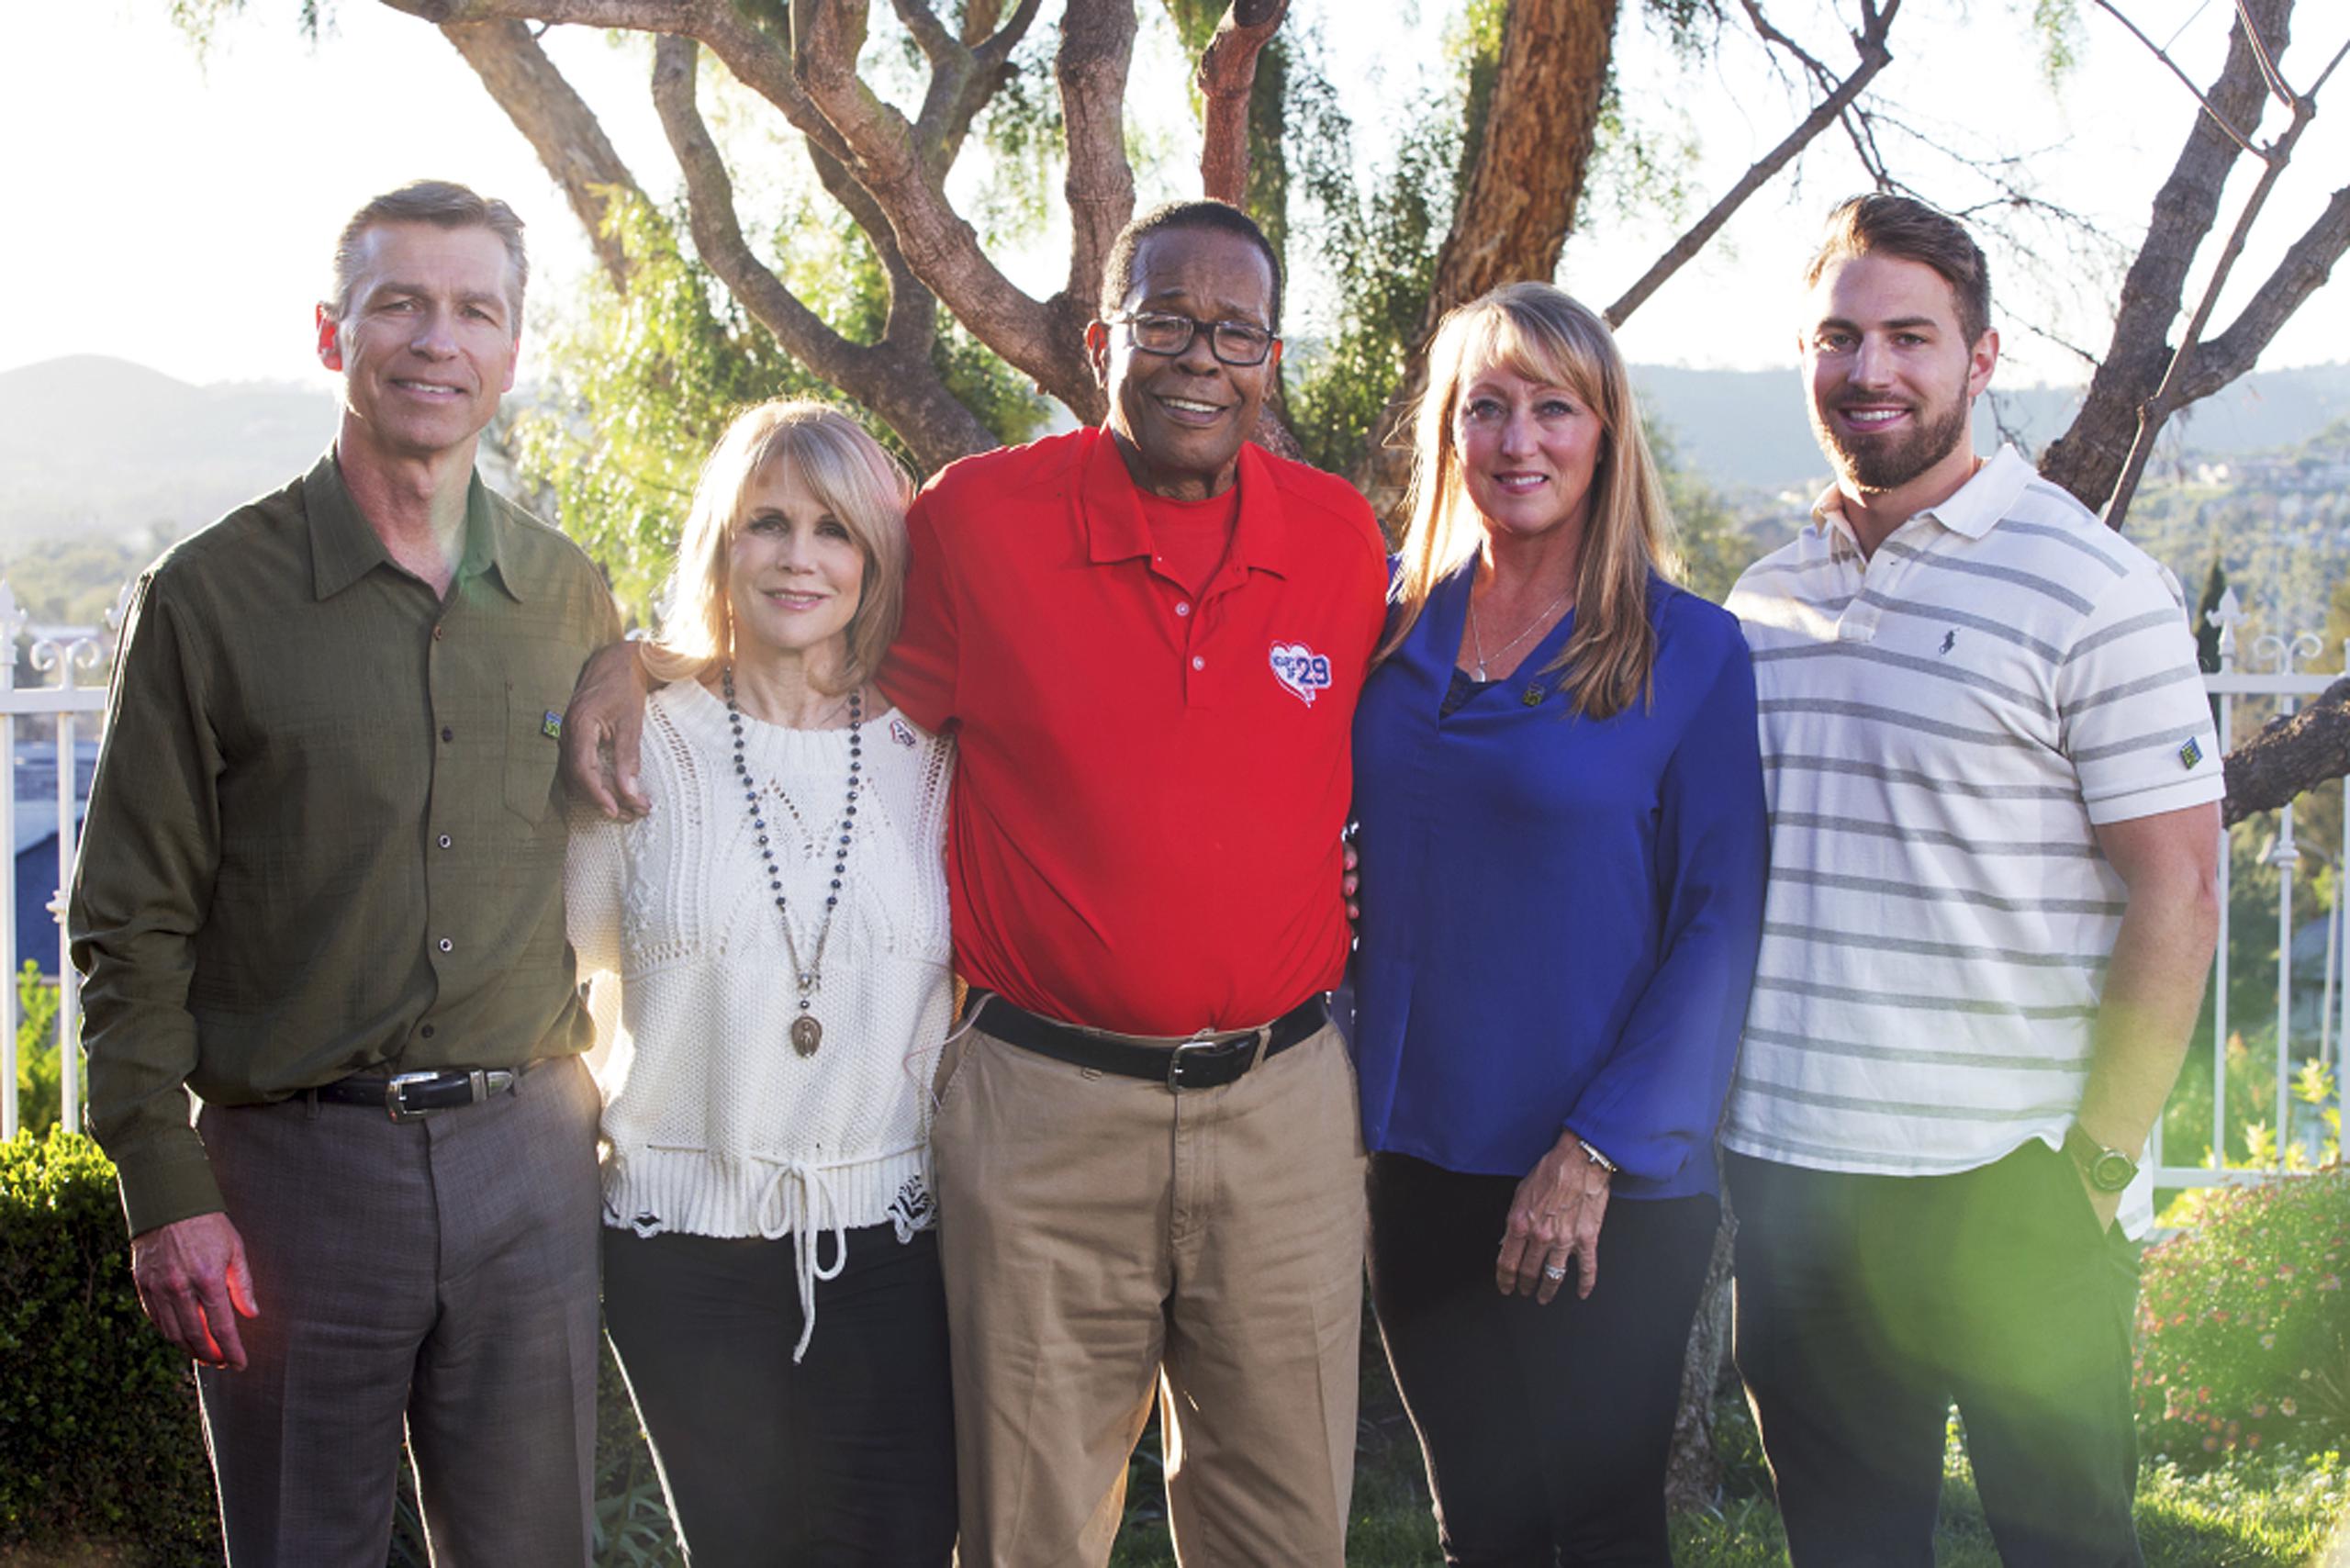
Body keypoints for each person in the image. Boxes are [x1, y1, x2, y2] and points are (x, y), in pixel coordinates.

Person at [565, 199, 1389, 1566]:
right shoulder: (981, 522)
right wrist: (632, 661)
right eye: (1166, 321)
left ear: (1272, 358)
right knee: (1028, 1533)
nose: (1201, 356)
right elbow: (809, 656)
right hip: (1045, 1108)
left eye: (1235, 331)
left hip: (1281, 1100)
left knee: (1286, 1531)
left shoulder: (1340, 539)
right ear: (1100, 341)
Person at [70, 181, 621, 1566]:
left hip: (530, 1164)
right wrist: (165, 1185)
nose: (439, 340)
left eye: (475, 311)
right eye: (401, 304)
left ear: (511, 351)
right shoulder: (208, 598)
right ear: (333, 334)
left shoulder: (572, 598)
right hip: (294, 1179)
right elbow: (128, 919)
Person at [1722, 194, 2224, 1566]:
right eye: (1840, 337)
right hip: (1800, 1183)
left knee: (2067, 1547)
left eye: (1910, 336)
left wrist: (2096, 1169)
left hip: (2017, 1183)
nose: (1869, 368)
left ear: (1981, 359)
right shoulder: (1763, 602)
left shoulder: (2093, 587)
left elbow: (2182, 892)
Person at [1348, 281, 1767, 1564]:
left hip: (1604, 1177)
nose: (1517, 441)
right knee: (1479, 1526)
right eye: (1486, 407)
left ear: (1604, 433)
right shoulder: (1385, 631)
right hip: (1414, 1157)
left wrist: (1591, 1154)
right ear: (1448, 433)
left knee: (1597, 1531)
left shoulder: (1687, 651)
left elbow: (1718, 922)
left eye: (1553, 408)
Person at [564, 399, 957, 1564]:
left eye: (835, 529)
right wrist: (628, 661)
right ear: (722, 543)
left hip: (891, 1243)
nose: (799, 556)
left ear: (875, 556)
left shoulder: (936, 754)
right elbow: (553, 979)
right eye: (768, 522)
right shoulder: (637, 742)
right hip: (682, 1247)